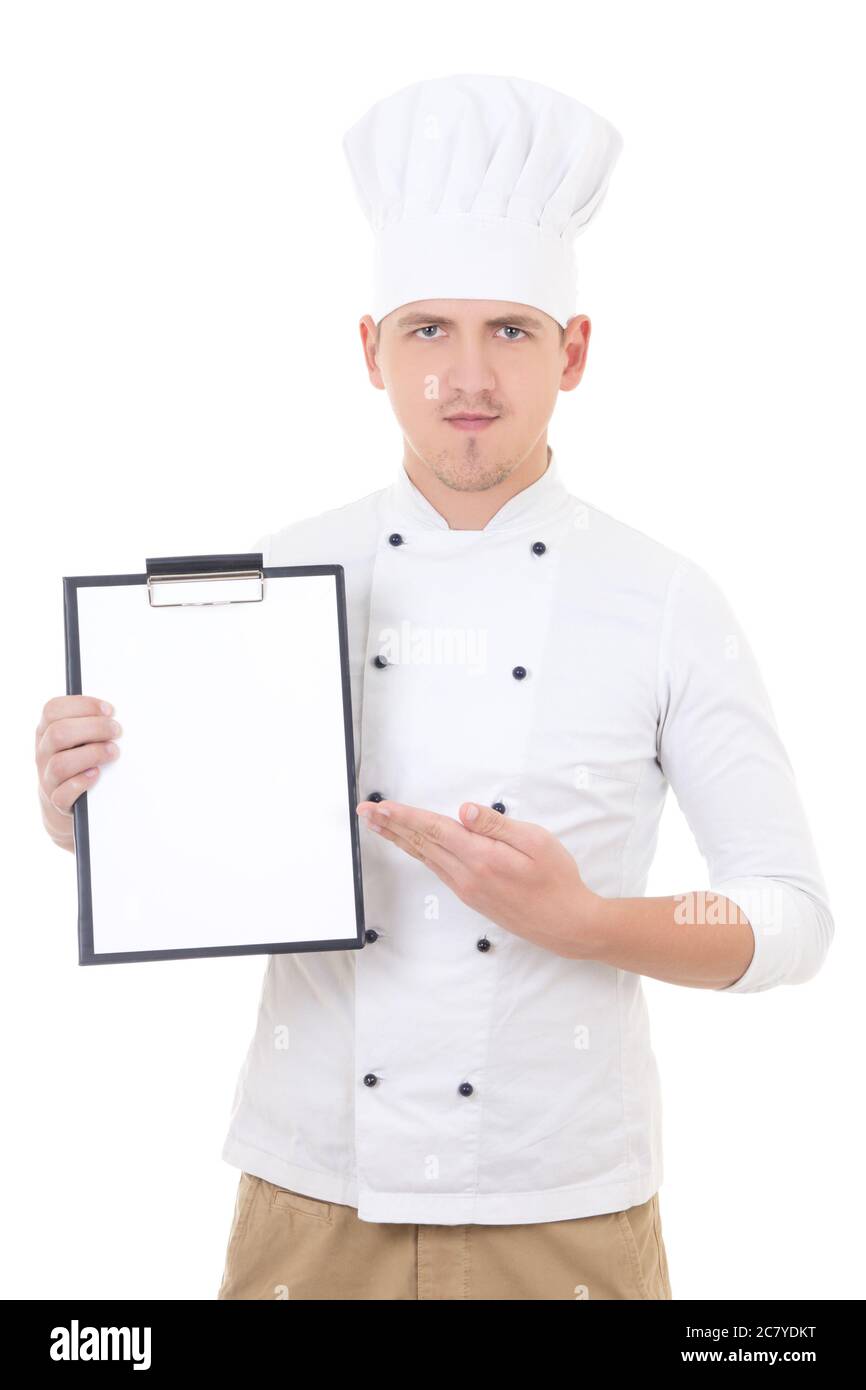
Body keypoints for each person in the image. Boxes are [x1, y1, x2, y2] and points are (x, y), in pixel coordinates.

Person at [35, 74, 834, 1301]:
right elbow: (192, 852)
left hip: (562, 1199)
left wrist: (588, 924)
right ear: (369, 351)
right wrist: (89, 810)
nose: (467, 376)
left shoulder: (664, 595)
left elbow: (787, 919)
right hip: (309, 1197)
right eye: (426, 330)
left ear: (572, 352)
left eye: (509, 329)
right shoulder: (277, 578)